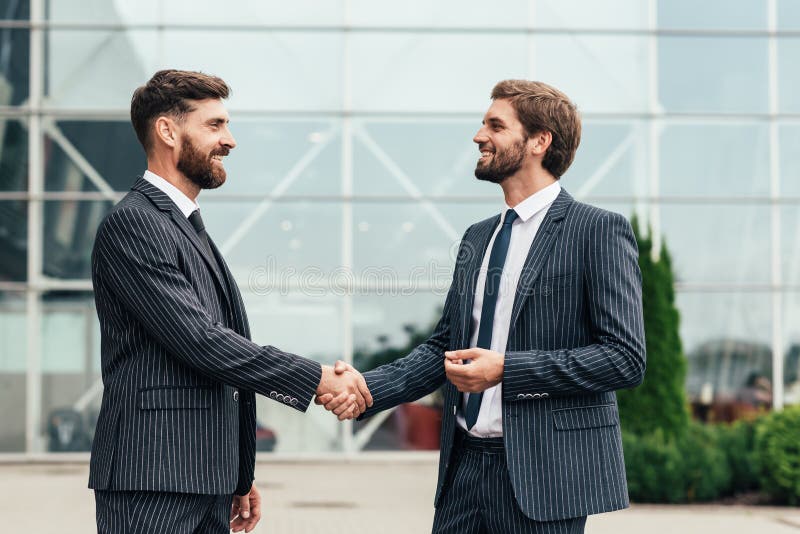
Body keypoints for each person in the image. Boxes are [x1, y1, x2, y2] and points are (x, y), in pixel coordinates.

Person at [321, 79, 646, 533]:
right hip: (464, 471)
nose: (479, 136)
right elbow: (443, 350)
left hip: (543, 478)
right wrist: (365, 388)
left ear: (539, 141)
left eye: (495, 125)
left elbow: (624, 359)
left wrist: (506, 370)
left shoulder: (597, 231)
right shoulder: (478, 237)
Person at [89, 69, 371, 534]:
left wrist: (236, 473)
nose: (230, 141)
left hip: (202, 479)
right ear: (167, 130)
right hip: (154, 479)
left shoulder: (182, 225)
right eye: (215, 125)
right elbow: (203, 343)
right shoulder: (135, 224)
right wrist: (317, 378)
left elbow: (217, 359)